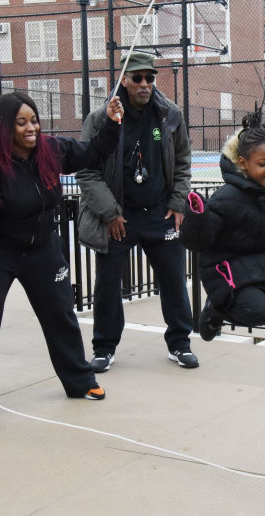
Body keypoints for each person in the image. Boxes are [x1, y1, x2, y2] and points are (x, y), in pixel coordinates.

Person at [0, 91, 124, 430]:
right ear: (2, 129)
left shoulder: (51, 151)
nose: (31, 128)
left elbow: (93, 152)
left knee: (60, 314)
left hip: (41, 248)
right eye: (21, 123)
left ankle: (79, 380)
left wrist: (112, 125)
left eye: (34, 120)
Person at [75, 52, 197, 372]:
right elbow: (87, 171)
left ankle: (180, 343)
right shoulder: (102, 118)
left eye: (150, 78)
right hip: (120, 216)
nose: (144, 84)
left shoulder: (170, 115)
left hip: (160, 212)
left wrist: (178, 202)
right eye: (137, 78)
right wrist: (109, 213)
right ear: (124, 79)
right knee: (107, 283)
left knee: (173, 279)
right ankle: (104, 347)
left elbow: (183, 162)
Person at [179, 111, 265, 341]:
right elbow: (200, 240)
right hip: (225, 265)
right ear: (243, 164)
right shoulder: (226, 198)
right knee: (258, 311)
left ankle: (236, 305)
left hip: (260, 264)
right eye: (263, 164)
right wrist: (198, 216)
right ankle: (215, 310)